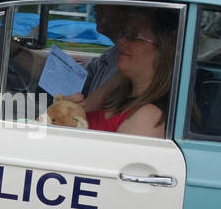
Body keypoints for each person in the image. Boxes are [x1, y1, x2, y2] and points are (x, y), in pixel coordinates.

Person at [74, 8, 179, 137]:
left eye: (133, 36)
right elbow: (77, 113)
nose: (121, 41)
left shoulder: (148, 118)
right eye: (124, 33)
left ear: (163, 50)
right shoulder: (118, 87)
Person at [80, 5, 132, 97]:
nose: (95, 8)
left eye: (107, 4)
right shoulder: (112, 53)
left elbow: (89, 107)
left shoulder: (125, 67)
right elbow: (82, 74)